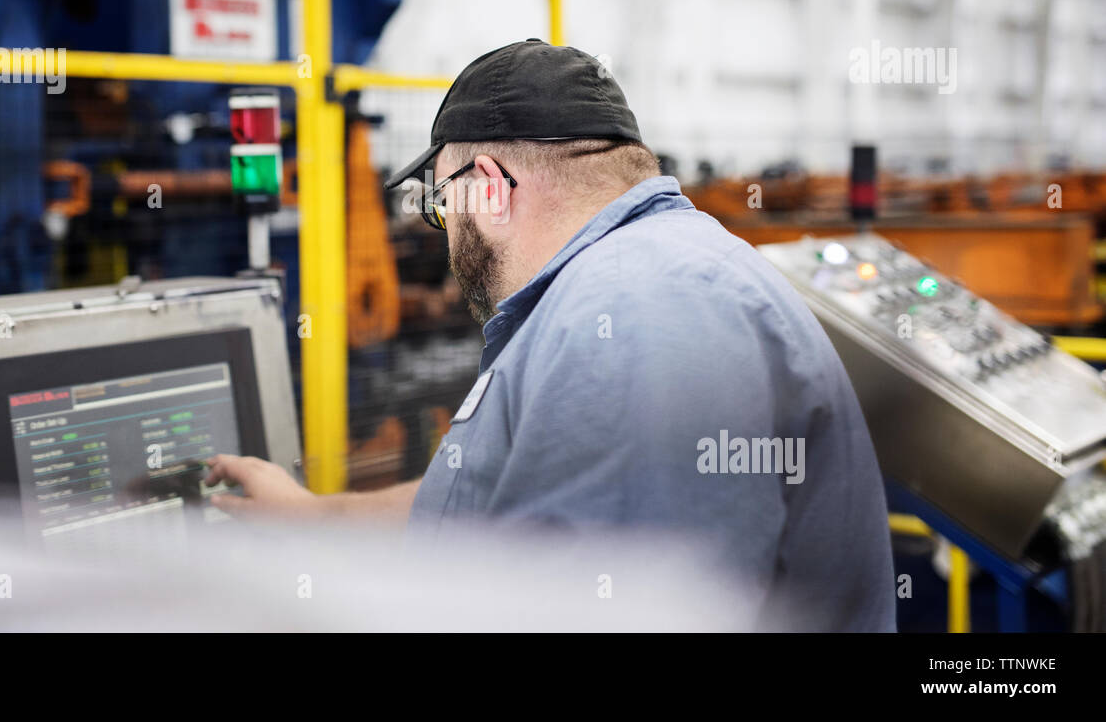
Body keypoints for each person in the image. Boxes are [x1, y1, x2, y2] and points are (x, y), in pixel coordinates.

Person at [206, 39, 896, 631]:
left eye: (444, 208)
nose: (448, 244)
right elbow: (485, 499)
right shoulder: (643, 282)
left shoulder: (634, 316)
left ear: (490, 187)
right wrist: (311, 517)